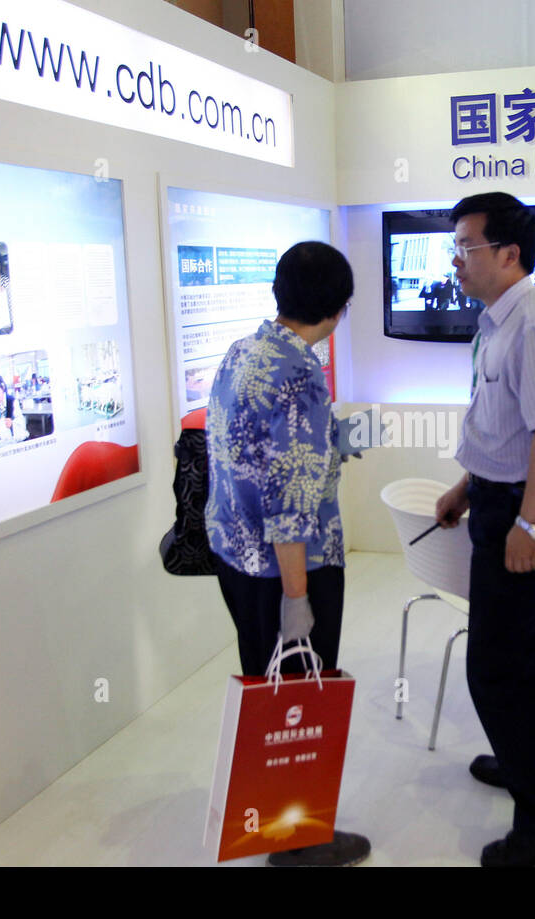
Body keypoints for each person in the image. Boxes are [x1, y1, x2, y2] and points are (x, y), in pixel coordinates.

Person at [433, 192, 535, 867]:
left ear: (508, 253)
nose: (456, 260)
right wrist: (469, 486)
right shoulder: (497, 319)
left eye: (465, 247)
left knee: (494, 669)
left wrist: (528, 523)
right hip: (503, 500)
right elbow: (503, 422)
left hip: (533, 511)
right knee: (531, 656)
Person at [204, 240, 370, 868]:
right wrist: (298, 600)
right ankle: (299, 841)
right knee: (302, 699)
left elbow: (247, 448)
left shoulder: (244, 349)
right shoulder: (302, 374)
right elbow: (290, 506)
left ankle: (273, 821)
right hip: (288, 569)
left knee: (268, 689)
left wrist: (329, 443)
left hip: (236, 556)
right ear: (338, 309)